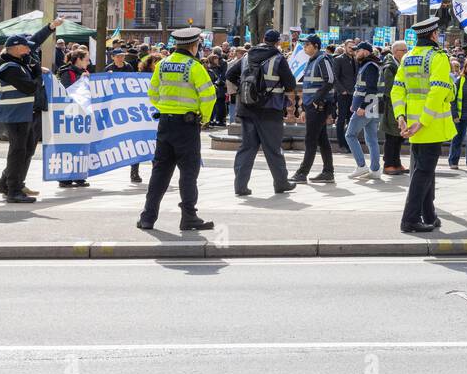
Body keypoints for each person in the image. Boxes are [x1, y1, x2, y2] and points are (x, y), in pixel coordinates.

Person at [137, 27, 217, 231]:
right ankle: (188, 216)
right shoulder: (194, 66)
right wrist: (203, 118)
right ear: (193, 45)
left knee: (160, 172)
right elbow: (209, 96)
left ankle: (148, 217)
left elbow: (152, 93)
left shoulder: (162, 64)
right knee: (188, 173)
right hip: (187, 126)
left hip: (165, 124)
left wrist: (166, 108)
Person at [391, 16, 455, 234]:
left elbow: (397, 89)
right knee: (423, 172)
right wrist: (424, 121)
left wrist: (401, 116)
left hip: (411, 122)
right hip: (430, 124)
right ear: (434, 35)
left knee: (425, 170)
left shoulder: (408, 57)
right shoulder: (438, 57)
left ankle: (429, 215)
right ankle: (409, 219)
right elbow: (438, 92)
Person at [0, 24, 59, 203]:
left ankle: (7, 185)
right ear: (16, 48)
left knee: (22, 151)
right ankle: (13, 190)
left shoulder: (16, 65)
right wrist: (36, 73)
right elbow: (29, 87)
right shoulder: (9, 67)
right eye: (25, 47)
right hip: (15, 116)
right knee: (18, 152)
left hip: (21, 114)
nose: (29, 49)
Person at [226, 29, 298, 195]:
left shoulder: (247, 56)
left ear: (263, 39)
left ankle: (240, 186)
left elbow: (229, 74)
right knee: (272, 148)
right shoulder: (278, 58)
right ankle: (281, 183)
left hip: (246, 108)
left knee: (247, 147)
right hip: (270, 110)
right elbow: (290, 84)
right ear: (277, 42)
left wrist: (243, 89)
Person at [290, 34, 337, 184]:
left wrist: (316, 100)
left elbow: (330, 80)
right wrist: (304, 107)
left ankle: (302, 173)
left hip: (319, 106)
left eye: (307, 45)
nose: (305, 47)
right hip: (313, 106)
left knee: (311, 139)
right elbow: (309, 87)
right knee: (321, 139)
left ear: (316, 46)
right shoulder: (312, 61)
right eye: (304, 45)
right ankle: (328, 172)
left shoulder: (322, 59)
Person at [343, 41, 382, 181]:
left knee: (350, 135)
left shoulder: (369, 66)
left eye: (357, 51)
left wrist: (362, 107)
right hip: (373, 106)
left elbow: (371, 89)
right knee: (371, 139)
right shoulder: (369, 65)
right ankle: (375, 170)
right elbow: (362, 88)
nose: (355, 53)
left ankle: (361, 166)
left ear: (365, 52)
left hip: (367, 107)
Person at [104, 46, 144, 183]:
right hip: (114, 109)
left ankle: (134, 172)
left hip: (128, 108)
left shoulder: (129, 68)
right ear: (113, 57)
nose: (121, 58)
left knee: (134, 139)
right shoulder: (108, 69)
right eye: (118, 56)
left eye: (122, 55)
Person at [56, 48, 92, 187]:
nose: (88, 63)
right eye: (86, 60)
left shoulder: (83, 73)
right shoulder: (67, 72)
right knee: (69, 146)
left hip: (81, 113)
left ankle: (78, 175)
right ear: (78, 59)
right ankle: (65, 178)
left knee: (81, 146)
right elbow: (68, 91)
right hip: (70, 114)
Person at [379, 41, 408, 175]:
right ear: (396, 52)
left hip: (398, 105)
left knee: (398, 136)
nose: (406, 53)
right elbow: (390, 88)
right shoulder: (390, 66)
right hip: (392, 106)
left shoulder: (398, 64)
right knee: (391, 136)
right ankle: (389, 164)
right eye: (404, 50)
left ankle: (396, 162)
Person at [332, 39, 358, 152]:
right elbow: (334, 77)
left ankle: (349, 143)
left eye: (354, 47)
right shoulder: (338, 59)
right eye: (350, 47)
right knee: (341, 118)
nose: (352, 49)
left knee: (351, 119)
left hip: (354, 93)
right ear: (345, 47)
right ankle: (341, 144)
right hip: (343, 94)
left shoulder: (356, 60)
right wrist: (342, 90)